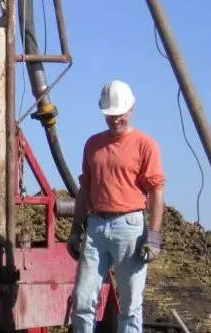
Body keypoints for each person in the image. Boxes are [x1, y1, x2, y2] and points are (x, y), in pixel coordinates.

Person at [67, 80, 165, 333]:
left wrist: (153, 235)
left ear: (131, 110)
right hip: (96, 225)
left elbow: (155, 191)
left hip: (129, 226)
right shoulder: (93, 145)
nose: (114, 120)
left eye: (119, 115)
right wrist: (76, 229)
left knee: (131, 305)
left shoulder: (145, 145)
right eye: (110, 115)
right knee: (82, 299)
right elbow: (85, 190)